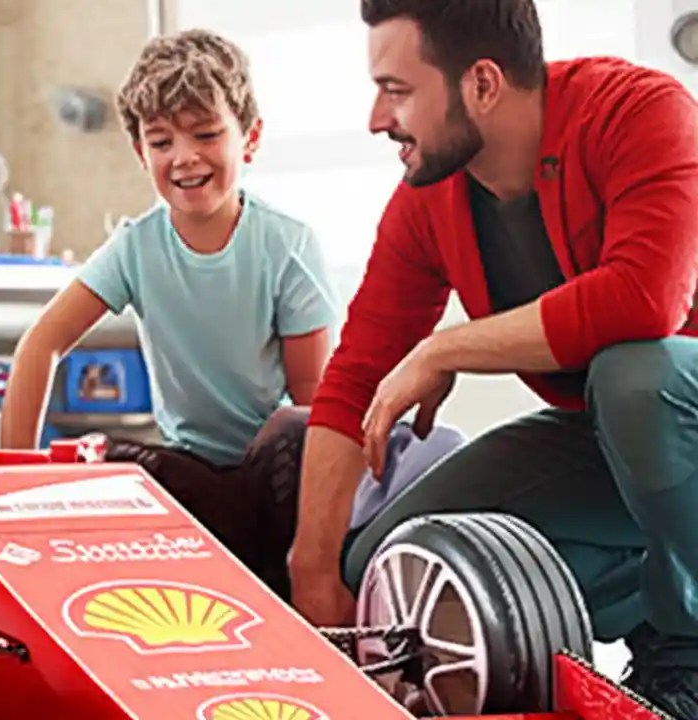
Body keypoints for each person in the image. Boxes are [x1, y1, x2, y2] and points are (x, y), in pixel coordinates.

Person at [278, 0, 698, 715]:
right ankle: (657, 615)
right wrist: (313, 568)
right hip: (615, 449)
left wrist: (447, 348)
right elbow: (356, 380)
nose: (379, 119)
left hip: (670, 410)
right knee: (391, 568)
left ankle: (690, 651)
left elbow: (643, 301)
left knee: (632, 377)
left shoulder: (641, 111)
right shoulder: (429, 198)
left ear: (481, 83)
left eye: (397, 90)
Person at [0, 29, 338, 595]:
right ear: (141, 153)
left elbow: (314, 400)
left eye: (206, 134)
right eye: (161, 142)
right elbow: (41, 345)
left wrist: (322, 550)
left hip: (276, 472)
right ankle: (224, 566)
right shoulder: (136, 246)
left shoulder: (287, 245)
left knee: (297, 429)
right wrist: (9, 485)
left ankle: (276, 574)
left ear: (248, 139)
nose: (184, 158)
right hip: (192, 474)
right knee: (102, 459)